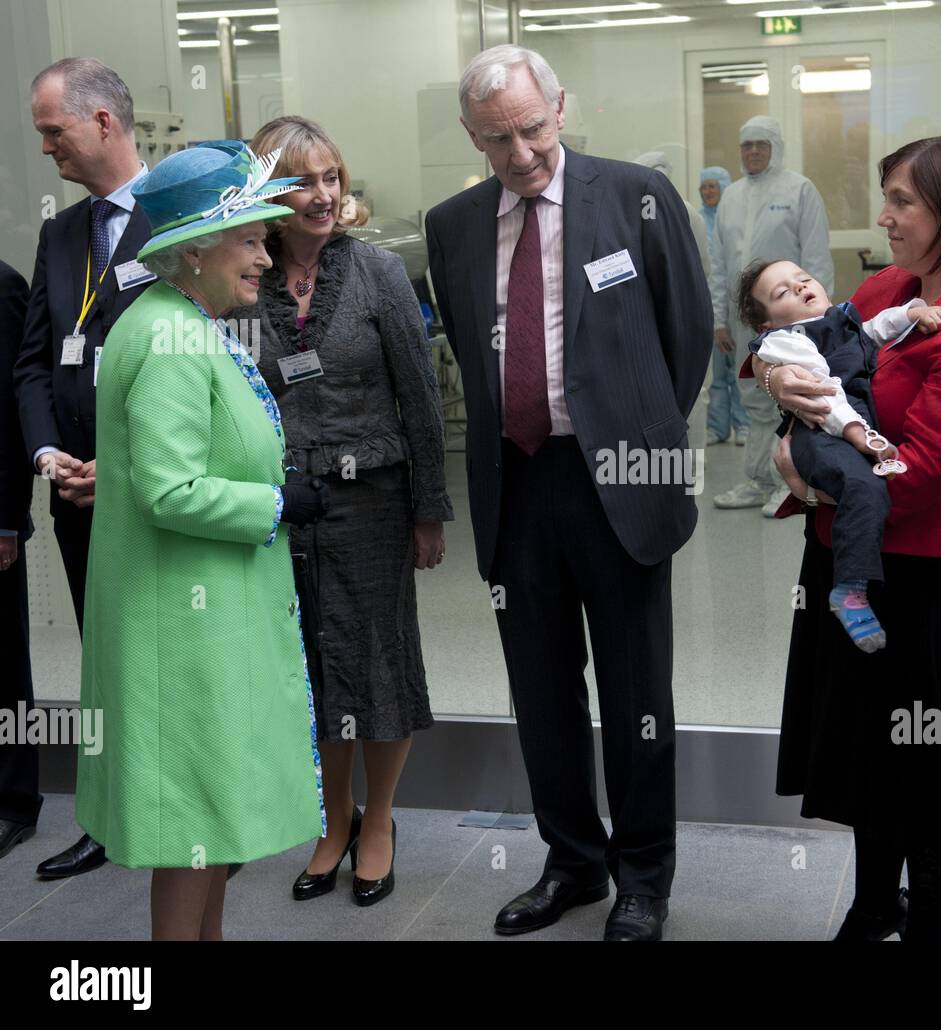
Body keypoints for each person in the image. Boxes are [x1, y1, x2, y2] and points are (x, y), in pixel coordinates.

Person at [425, 44, 712, 942]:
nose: (519, 155)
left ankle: (643, 876)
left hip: (618, 481)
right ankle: (573, 863)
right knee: (542, 693)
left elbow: (688, 333)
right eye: (496, 139)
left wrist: (638, 430)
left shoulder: (637, 196)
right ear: (470, 136)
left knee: (636, 693)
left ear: (561, 106)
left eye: (533, 130)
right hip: (516, 482)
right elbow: (474, 352)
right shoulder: (452, 224)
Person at [760, 135, 941, 941]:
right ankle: (874, 910)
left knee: (930, 759)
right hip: (847, 554)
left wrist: (807, 477)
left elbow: (930, 466)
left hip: (919, 569)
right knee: (873, 749)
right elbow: (812, 355)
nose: (885, 217)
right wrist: (776, 378)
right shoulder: (885, 288)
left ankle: (933, 926)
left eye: (901, 202)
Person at [75, 140, 332, 940]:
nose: (265, 254)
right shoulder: (166, 338)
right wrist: (276, 501)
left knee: (209, 831)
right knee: (192, 832)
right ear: (194, 250)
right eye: (249, 239)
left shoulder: (185, 321)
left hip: (203, 623)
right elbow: (169, 489)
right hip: (182, 639)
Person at [238, 115, 452, 907]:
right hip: (282, 506)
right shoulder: (243, 273)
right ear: (267, 192)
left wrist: (429, 509)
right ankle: (334, 820)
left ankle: (381, 821)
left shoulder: (378, 273)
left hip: (375, 499)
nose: (325, 195)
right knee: (311, 668)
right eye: (304, 181)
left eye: (333, 177)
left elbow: (421, 398)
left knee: (379, 663)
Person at [13, 57, 151, 880]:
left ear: (103, 122)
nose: (44, 148)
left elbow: (213, 366)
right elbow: (33, 362)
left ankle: (193, 820)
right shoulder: (60, 234)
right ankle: (105, 815)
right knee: (103, 661)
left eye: (50, 129)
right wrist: (46, 453)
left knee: (169, 654)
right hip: (77, 493)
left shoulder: (182, 221)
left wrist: (126, 466)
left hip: (158, 493)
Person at [738, 258, 941, 651]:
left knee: (871, 487)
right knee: (863, 485)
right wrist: (858, 434)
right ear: (767, 325)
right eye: (783, 292)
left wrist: (912, 312)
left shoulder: (839, 320)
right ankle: (849, 589)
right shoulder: (787, 339)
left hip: (849, 431)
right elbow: (824, 394)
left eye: (803, 278)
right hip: (821, 432)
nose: (801, 287)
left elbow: (873, 328)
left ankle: (852, 587)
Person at [709, 116, 833, 513]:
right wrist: (719, 318)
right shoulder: (731, 196)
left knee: (788, 398)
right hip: (742, 313)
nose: (753, 152)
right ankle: (758, 480)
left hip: (788, 317)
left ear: (775, 147)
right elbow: (718, 262)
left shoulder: (799, 189)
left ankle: (789, 483)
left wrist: (816, 321)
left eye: (761, 144)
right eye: (746, 145)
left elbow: (816, 258)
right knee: (753, 398)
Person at [0, 261, 36, 861]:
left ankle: (13, 801)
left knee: (2, 664)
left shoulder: (2, 287)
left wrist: (6, 518)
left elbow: (10, 413)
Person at [699, 165, 746, 446]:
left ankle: (744, 425)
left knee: (740, 369)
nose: (707, 192)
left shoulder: (735, 220)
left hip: (736, 302)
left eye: (713, 186)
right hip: (708, 305)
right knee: (716, 372)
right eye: (704, 187)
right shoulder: (695, 219)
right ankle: (717, 427)